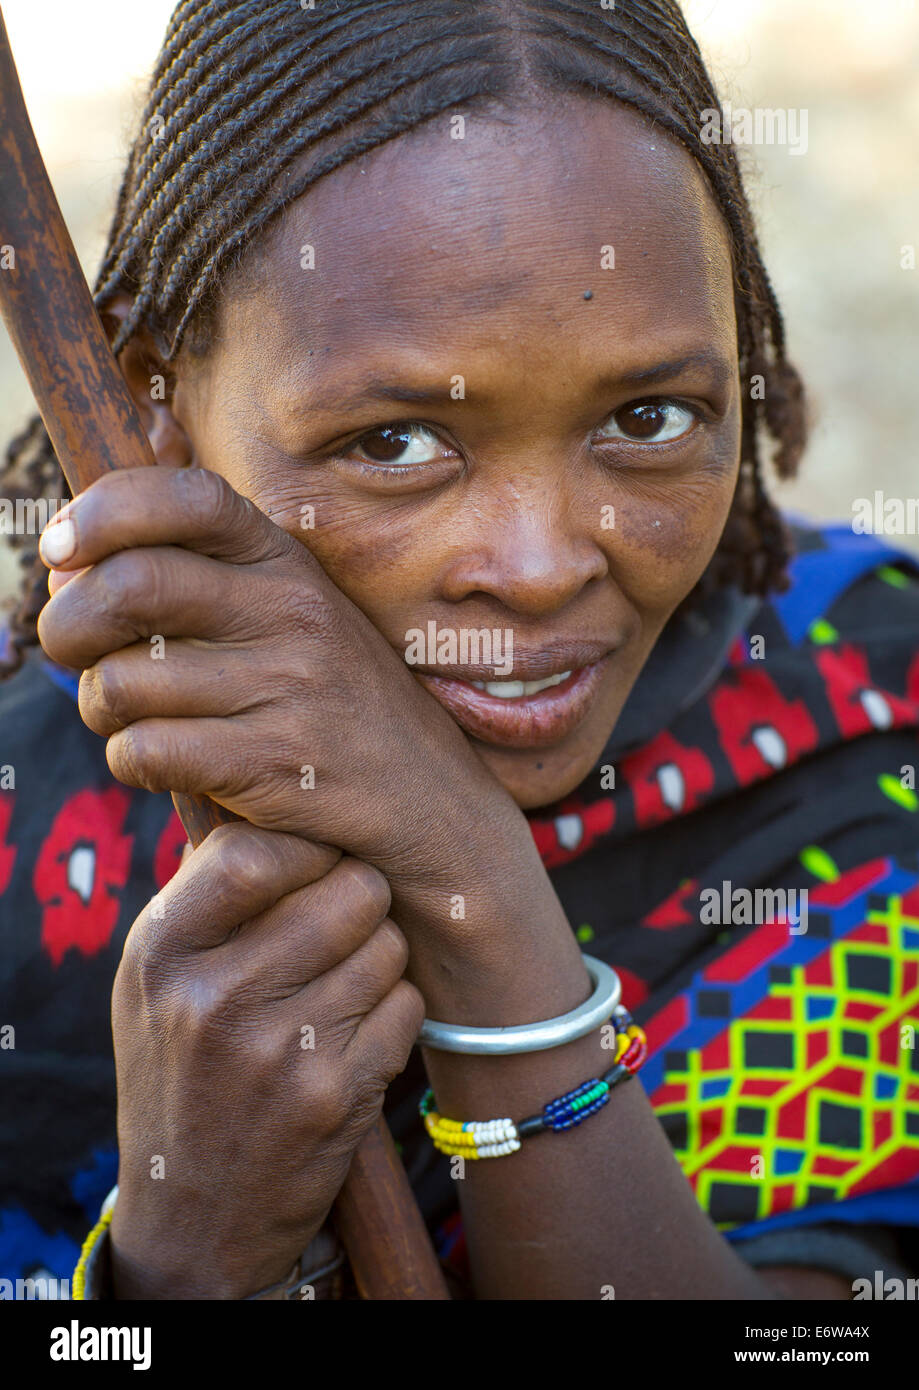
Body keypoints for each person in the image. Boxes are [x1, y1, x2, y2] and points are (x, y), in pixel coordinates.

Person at [1, 0, 917, 1301]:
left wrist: (471, 883)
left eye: (651, 416)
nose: (543, 565)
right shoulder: (21, 813)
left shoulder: (868, 729)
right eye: (395, 443)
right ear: (156, 398)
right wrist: (187, 1260)